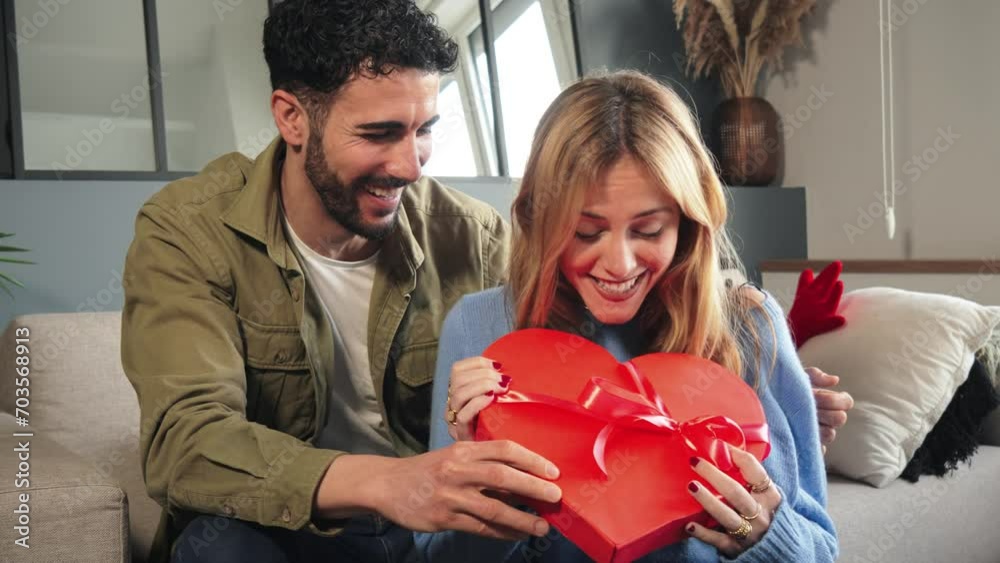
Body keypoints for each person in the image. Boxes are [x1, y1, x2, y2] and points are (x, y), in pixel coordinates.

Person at [121, 2, 565, 562]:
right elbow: (184, 443)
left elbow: (551, 396)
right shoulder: (187, 231)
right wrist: (387, 483)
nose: (411, 165)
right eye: (380, 134)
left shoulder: (475, 238)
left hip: (437, 530)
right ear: (292, 118)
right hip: (286, 529)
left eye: (423, 130)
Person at [419, 70, 839, 562]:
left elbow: (820, 551)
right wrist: (487, 492)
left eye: (649, 229)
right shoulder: (479, 327)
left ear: (686, 223)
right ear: (539, 219)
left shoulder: (749, 326)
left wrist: (767, 538)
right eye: (585, 232)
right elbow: (437, 556)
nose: (618, 264)